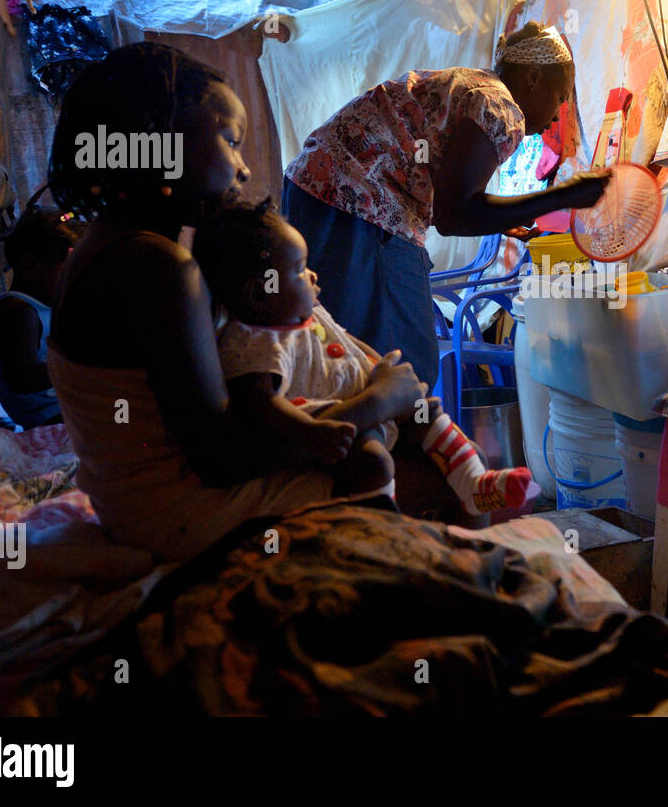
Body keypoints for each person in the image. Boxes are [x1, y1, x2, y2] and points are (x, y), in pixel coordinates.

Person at [46, 42, 434, 563]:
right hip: (181, 514)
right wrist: (375, 403)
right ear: (163, 141)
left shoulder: (109, 245)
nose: (244, 170)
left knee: (404, 451)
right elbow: (223, 457)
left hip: (132, 508)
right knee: (423, 476)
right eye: (231, 142)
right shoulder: (157, 266)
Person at [282, 21, 610, 390]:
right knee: (404, 364)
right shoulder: (501, 106)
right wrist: (565, 195)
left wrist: (498, 215)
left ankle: (359, 438)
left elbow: (449, 204)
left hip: (315, 191)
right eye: (560, 96)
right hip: (362, 207)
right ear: (533, 78)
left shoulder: (467, 83)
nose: (557, 114)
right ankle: (393, 442)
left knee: (341, 347)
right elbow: (455, 216)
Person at [192, 198, 536, 516]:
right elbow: (260, 400)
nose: (312, 276)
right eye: (298, 270)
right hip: (347, 425)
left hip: (379, 403)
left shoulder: (304, 312)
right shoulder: (255, 341)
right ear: (259, 292)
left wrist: (385, 369)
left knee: (433, 417)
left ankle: (473, 481)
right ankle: (381, 528)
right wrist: (311, 431)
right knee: (373, 463)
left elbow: (352, 345)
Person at [0, 205, 79, 429]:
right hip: (48, 417)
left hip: (62, 411)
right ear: (31, 267)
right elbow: (23, 379)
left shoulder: (42, 307)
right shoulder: (17, 310)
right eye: (66, 273)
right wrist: (81, 365)